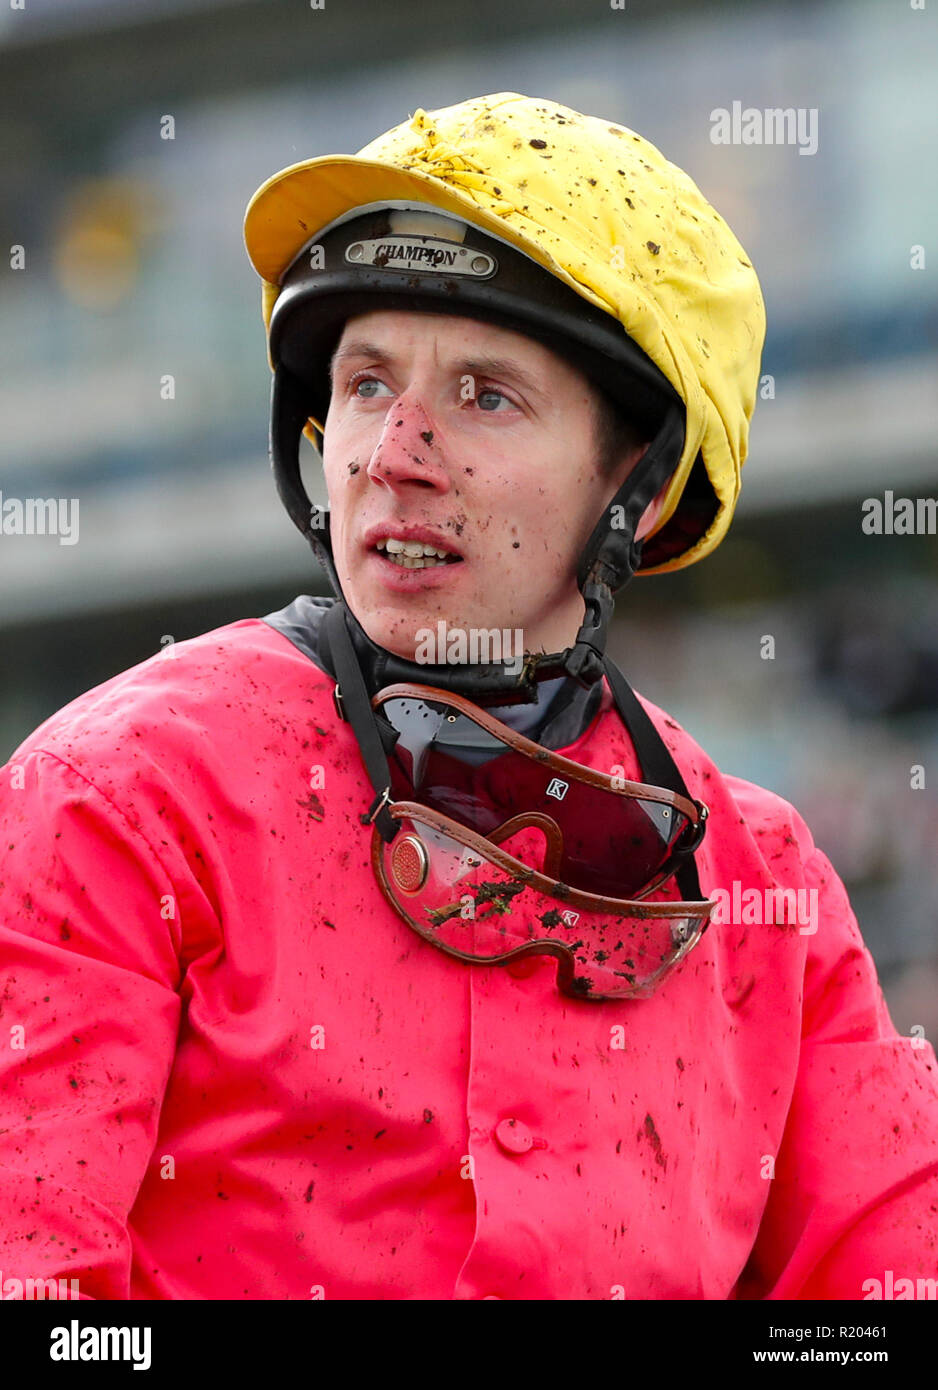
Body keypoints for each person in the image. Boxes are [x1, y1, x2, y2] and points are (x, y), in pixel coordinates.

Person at [1, 91, 936, 1302]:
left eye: (484, 395)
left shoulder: (766, 887)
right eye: (367, 384)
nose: (393, 451)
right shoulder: (114, 801)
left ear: (637, 490)